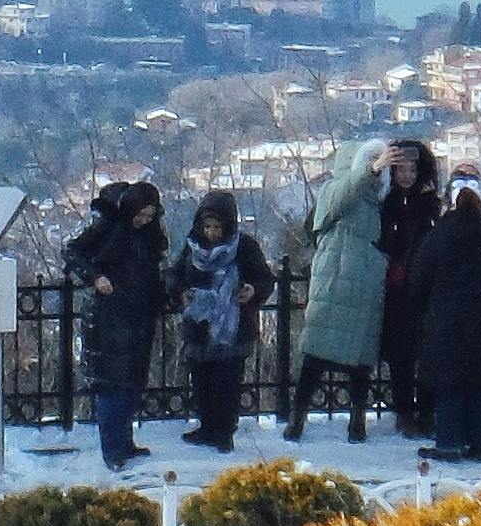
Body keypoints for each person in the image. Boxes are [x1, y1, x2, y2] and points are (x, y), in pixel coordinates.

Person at [288, 139, 390, 441]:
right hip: (335, 280)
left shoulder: (380, 202)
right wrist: (370, 170)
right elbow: (344, 195)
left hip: (366, 285)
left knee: (360, 361)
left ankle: (357, 419)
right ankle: (297, 415)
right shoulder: (335, 190)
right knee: (316, 354)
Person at [414, 181, 481, 462]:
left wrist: (428, 308)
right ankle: (480, 444)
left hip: (446, 322)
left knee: (449, 383)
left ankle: (449, 443)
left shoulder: (441, 233)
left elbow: (420, 276)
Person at [169, 191, 276, 454]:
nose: (212, 233)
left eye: (217, 227)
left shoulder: (244, 247)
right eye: (207, 227)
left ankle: (224, 432)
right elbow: (176, 275)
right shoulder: (193, 246)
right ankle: (207, 427)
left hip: (233, 327)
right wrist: (181, 292)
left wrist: (251, 290)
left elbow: (264, 279)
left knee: (227, 383)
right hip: (199, 325)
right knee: (202, 382)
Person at [75, 177, 168, 470]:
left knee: (131, 385)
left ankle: (124, 443)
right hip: (109, 316)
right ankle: (113, 450)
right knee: (113, 386)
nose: (143, 220)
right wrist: (96, 277)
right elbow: (74, 252)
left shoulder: (148, 236)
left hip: (138, 316)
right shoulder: (108, 226)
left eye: (149, 216)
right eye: (140, 214)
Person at [376, 141, 446, 437]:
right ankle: (404, 411)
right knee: (401, 356)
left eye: (412, 170)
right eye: (400, 170)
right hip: (396, 289)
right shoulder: (386, 203)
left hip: (425, 287)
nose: (406, 176)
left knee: (427, 352)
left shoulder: (429, 204)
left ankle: (427, 410)